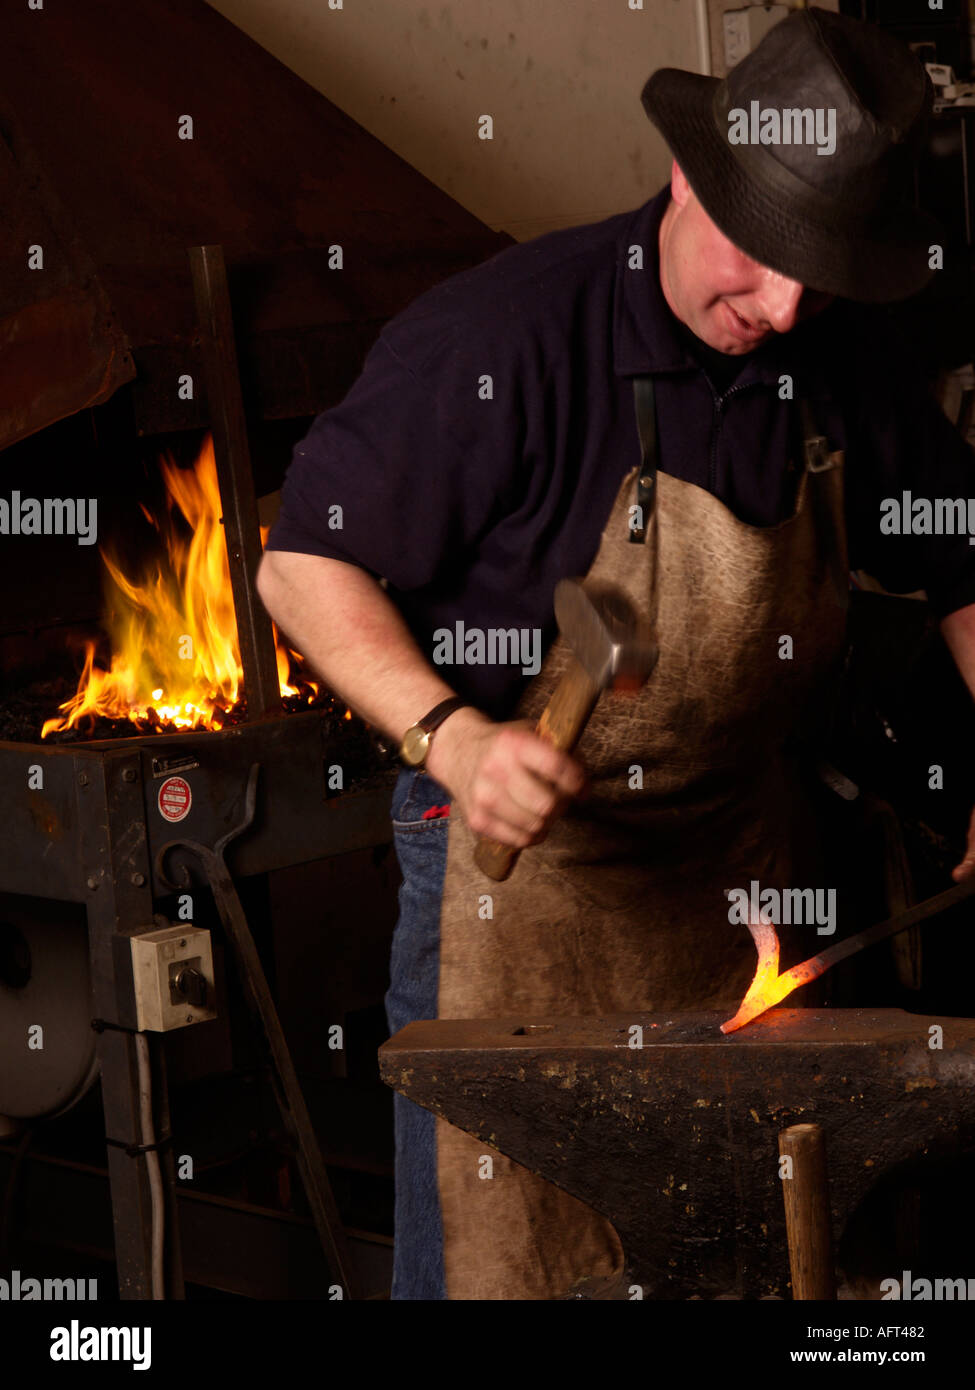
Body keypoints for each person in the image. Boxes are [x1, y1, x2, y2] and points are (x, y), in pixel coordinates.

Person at [258, 7, 975, 1299]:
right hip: (515, 906)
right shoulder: (508, 338)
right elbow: (301, 565)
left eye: (824, 270)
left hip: (735, 901)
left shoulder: (837, 355)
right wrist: (451, 735)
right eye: (763, 257)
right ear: (689, 178)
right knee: (512, 1270)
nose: (788, 302)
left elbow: (967, 558)